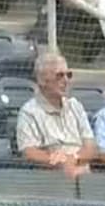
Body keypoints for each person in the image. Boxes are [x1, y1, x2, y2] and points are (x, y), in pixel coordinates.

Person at [15, 51, 98, 179]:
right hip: (51, 176)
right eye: (59, 75)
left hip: (83, 174)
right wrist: (58, 161)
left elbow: (91, 148)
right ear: (42, 80)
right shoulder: (29, 112)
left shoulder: (75, 106)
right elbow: (29, 152)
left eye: (68, 75)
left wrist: (74, 158)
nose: (66, 80)